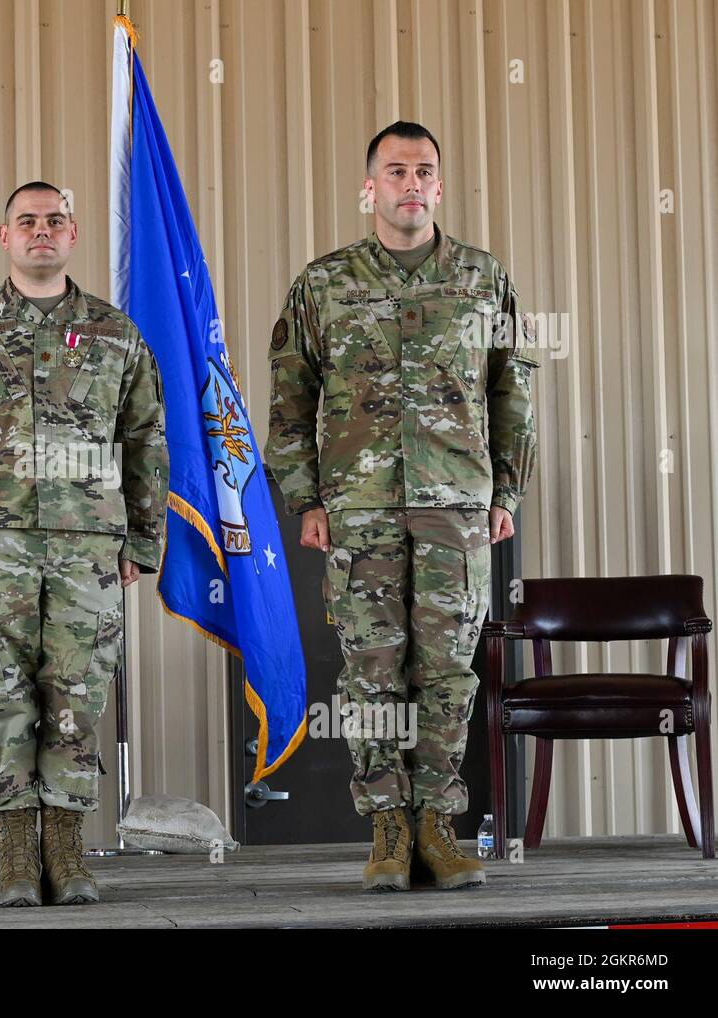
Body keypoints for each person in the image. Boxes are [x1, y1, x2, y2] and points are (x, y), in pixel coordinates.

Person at [266, 121, 539, 891]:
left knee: (450, 671)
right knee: (372, 672)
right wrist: (304, 497)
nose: (410, 184)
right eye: (396, 171)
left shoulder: (483, 279)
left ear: (440, 187)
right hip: (358, 508)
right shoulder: (324, 283)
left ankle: (438, 829)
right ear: (371, 187)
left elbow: (513, 392)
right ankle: (387, 829)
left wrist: (505, 491)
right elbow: (289, 399)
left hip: (456, 506)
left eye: (423, 171)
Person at [0, 181, 169, 906]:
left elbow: (146, 439)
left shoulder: (117, 333)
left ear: (74, 235)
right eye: (28, 221)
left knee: (75, 695)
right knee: (0, 692)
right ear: (5, 236)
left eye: (55, 220)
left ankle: (67, 847)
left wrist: (141, 542)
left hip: (88, 544)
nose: (41, 231)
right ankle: (17, 851)